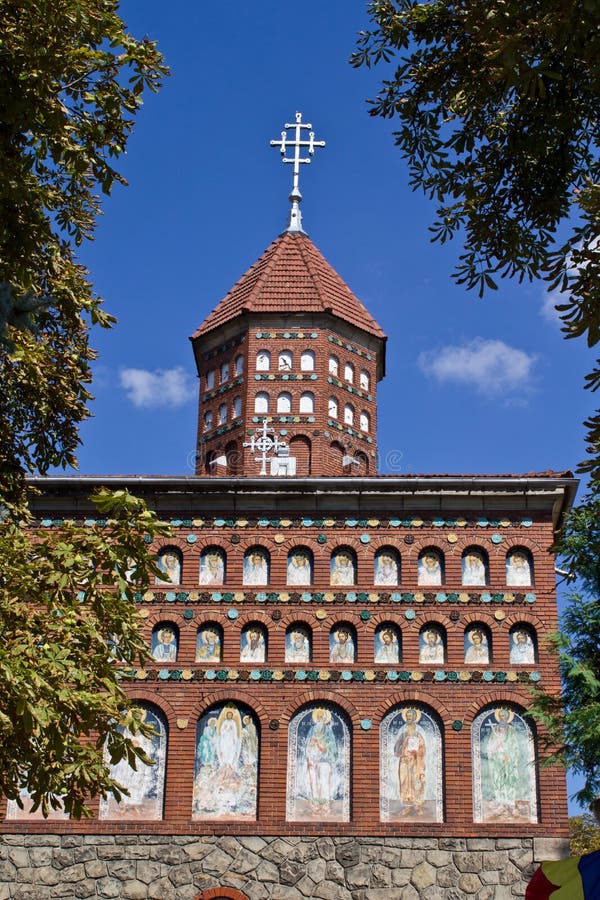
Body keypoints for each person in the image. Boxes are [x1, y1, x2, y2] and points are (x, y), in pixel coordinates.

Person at [304, 708, 338, 814]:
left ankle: (325, 805)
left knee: (324, 782)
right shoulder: (312, 730)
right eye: (318, 717)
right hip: (313, 760)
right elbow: (307, 743)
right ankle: (315, 805)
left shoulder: (328, 730)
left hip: (324, 760)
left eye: (322, 717)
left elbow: (332, 745)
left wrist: (322, 746)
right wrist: (310, 750)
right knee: (313, 782)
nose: (320, 719)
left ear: (325, 719)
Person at [394, 710, 427, 813]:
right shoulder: (402, 735)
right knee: (404, 783)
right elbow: (396, 748)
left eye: (410, 717)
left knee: (416, 781)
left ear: (414, 719)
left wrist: (417, 752)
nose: (408, 719)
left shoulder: (418, 735)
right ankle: (408, 806)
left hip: (416, 762)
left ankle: (417, 805)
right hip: (404, 762)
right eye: (407, 717)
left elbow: (423, 749)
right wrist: (403, 748)